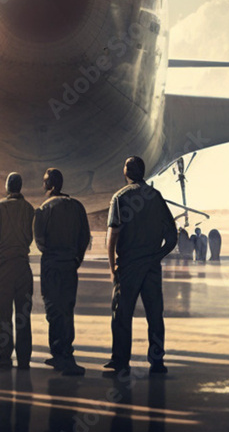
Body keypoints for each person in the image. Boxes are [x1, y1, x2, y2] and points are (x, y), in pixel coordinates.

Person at [105, 156, 178, 376]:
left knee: (122, 316)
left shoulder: (120, 197)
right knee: (155, 315)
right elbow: (172, 236)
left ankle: (121, 363)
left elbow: (112, 236)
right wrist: (157, 256)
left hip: (128, 267)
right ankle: (157, 362)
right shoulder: (156, 197)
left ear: (127, 172)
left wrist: (112, 268)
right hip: (152, 268)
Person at [33, 167, 90, 376]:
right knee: (66, 309)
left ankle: (63, 355)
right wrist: (77, 259)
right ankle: (62, 353)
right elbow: (85, 236)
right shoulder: (77, 206)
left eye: (45, 182)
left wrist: (53, 257)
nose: (43, 185)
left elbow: (40, 242)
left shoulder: (43, 209)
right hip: (69, 266)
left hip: (52, 267)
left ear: (50, 185)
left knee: (53, 311)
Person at [0, 172, 35, 370]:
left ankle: (5, 356)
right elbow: (33, 236)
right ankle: (24, 359)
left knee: (4, 314)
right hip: (23, 266)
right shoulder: (29, 209)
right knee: (23, 314)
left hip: (3, 266)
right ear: (21, 187)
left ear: (7, 187)